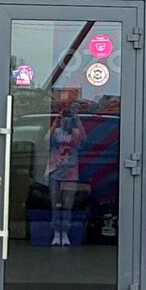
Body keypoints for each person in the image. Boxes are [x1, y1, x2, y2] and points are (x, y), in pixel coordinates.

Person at [46, 105, 86, 246]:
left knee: (68, 204)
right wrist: (56, 120)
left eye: (69, 118)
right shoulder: (56, 132)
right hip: (55, 171)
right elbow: (46, 139)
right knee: (55, 203)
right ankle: (56, 232)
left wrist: (77, 119)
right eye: (65, 118)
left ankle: (65, 232)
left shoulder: (75, 133)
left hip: (70, 173)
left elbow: (84, 138)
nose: (67, 121)